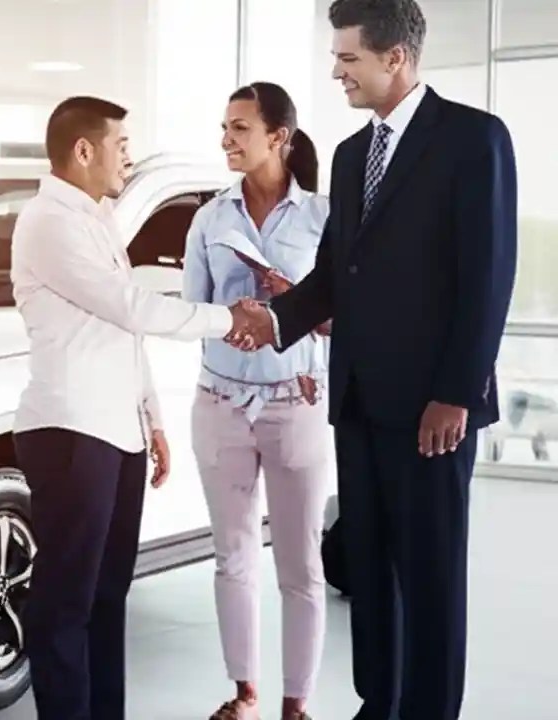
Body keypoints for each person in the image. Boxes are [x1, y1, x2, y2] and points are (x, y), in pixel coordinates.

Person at [231, 2, 518, 719]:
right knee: (369, 567)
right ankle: (378, 701)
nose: (336, 71)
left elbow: (488, 275)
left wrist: (456, 390)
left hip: (431, 408)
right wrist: (275, 320)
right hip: (357, 397)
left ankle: (426, 709)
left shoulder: (473, 139)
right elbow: (335, 274)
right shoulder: (353, 154)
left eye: (348, 58)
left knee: (429, 573)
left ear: (395, 58)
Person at [10, 95, 265, 720]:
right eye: (121, 146)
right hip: (71, 430)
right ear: (84, 150)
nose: (128, 156)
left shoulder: (95, 218)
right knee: (66, 603)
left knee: (106, 597)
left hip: (113, 431)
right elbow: (131, 307)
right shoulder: (49, 221)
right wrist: (226, 317)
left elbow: (121, 334)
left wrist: (150, 417)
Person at [182, 81, 331, 720]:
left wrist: (292, 296)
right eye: (224, 128)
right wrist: (232, 313)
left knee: (300, 565)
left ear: (280, 137)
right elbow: (191, 311)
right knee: (233, 557)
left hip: (295, 403)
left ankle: (296, 705)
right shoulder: (210, 218)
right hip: (220, 404)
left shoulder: (325, 217)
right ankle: (245, 693)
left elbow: (343, 319)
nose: (226, 140)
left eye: (239, 128)